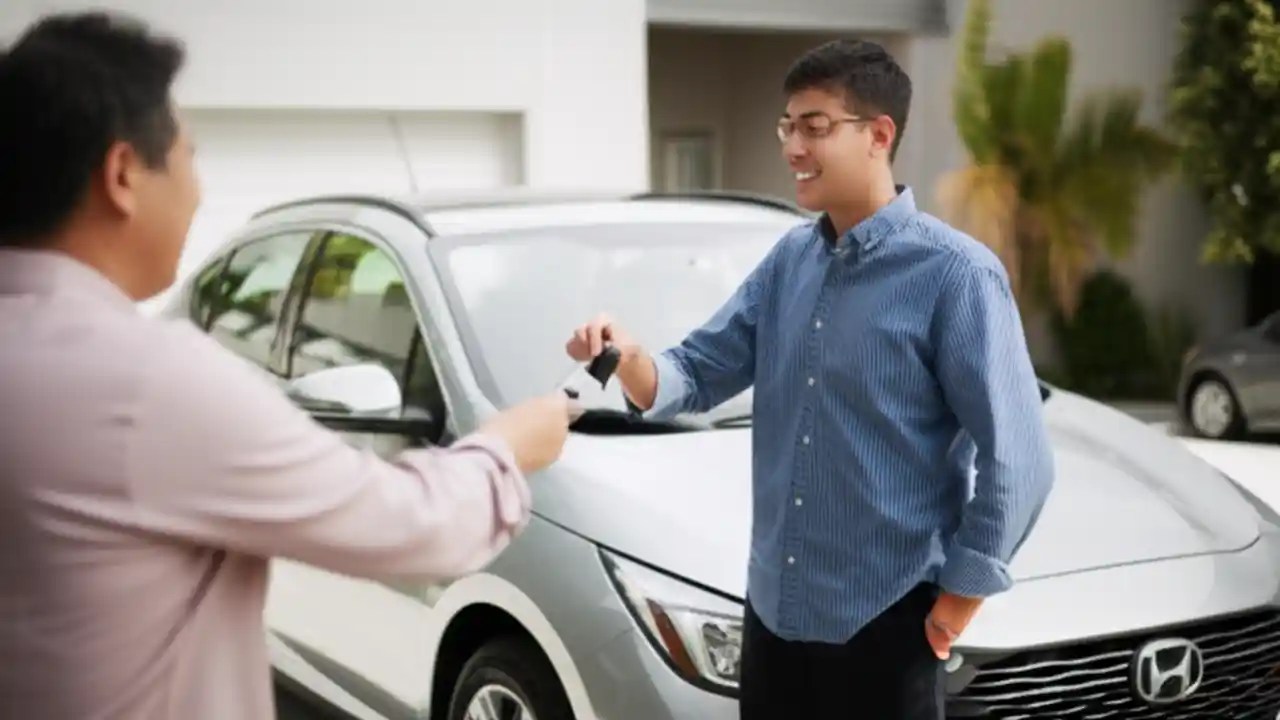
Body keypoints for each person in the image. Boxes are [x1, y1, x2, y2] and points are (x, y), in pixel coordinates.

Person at [0, 11, 573, 720]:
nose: (200, 190)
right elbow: (410, 526)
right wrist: (506, 447)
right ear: (122, 174)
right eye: (188, 155)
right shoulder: (146, 385)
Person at [566, 39, 1055, 718]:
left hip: (885, 623)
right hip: (773, 618)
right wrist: (622, 354)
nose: (793, 146)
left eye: (815, 127)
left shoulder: (955, 276)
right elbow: (694, 374)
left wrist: (960, 598)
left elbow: (1019, 456)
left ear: (878, 135)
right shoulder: (789, 259)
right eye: (787, 126)